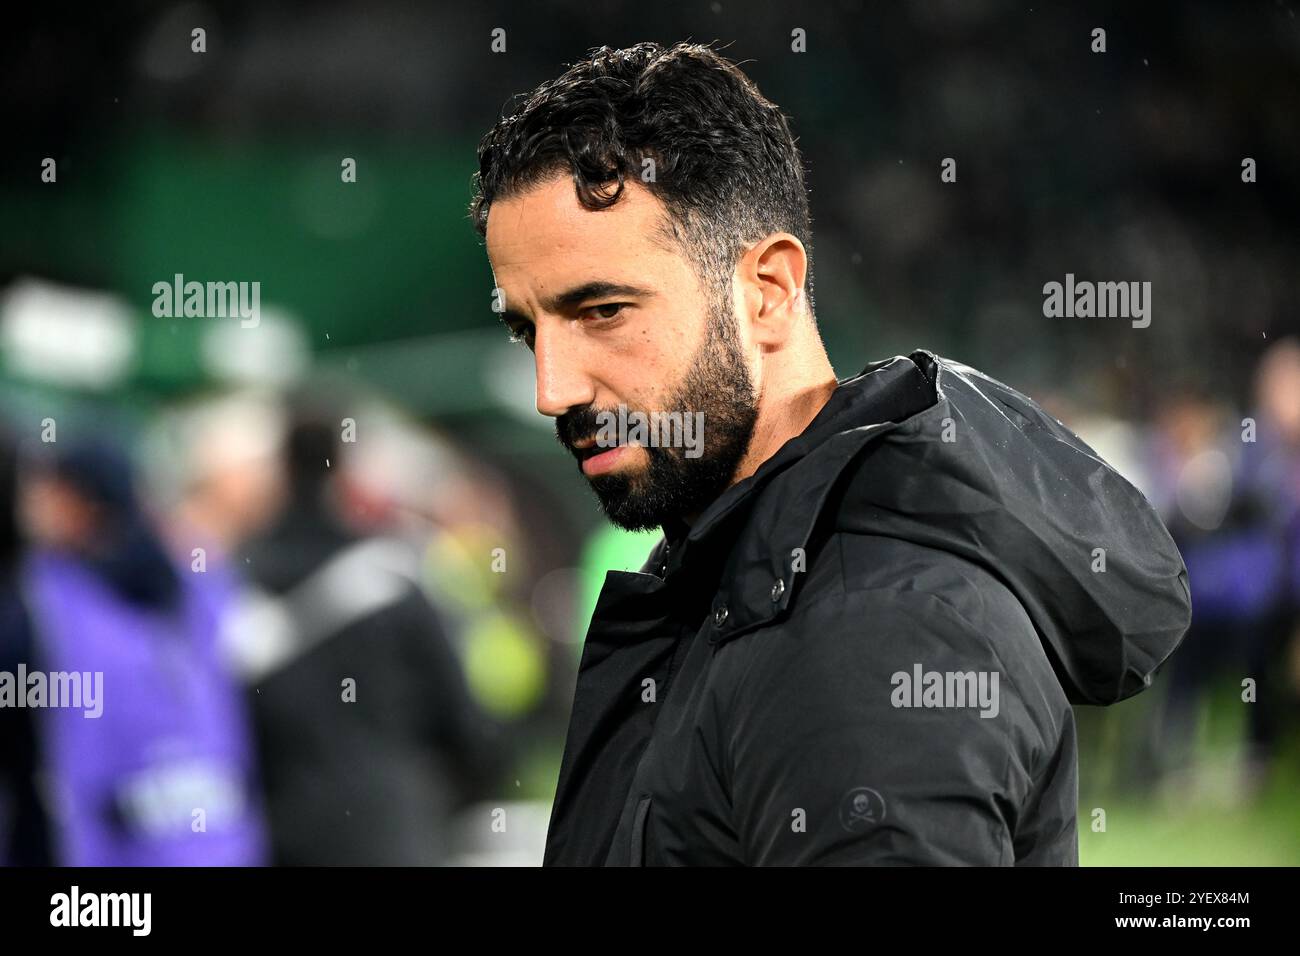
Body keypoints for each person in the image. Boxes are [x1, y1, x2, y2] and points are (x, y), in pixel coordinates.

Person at [469, 41, 1192, 865]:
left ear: (768, 292)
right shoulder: (758, 574)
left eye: (600, 309)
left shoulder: (873, 629)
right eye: (530, 331)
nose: (552, 390)